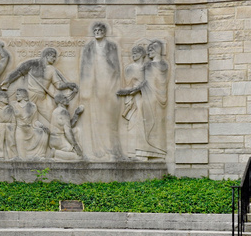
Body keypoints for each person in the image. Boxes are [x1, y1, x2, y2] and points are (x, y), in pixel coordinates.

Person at [118, 39, 169, 158]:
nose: (149, 52)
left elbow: (145, 84)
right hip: (150, 97)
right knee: (143, 123)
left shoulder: (151, 65)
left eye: (151, 50)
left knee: (142, 123)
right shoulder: (164, 65)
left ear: (157, 51)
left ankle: (148, 151)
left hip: (150, 98)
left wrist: (127, 92)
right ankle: (149, 151)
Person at [78, 22, 122, 160]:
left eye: (100, 30)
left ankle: (111, 148)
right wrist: (85, 89)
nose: (97, 32)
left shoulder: (112, 46)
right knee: (95, 117)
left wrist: (113, 86)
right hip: (93, 86)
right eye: (95, 30)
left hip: (109, 85)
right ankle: (97, 148)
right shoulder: (88, 47)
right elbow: (84, 70)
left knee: (109, 117)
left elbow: (116, 68)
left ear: (104, 32)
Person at [0, 47, 77, 125]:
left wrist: (68, 85)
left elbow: (58, 84)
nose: (54, 59)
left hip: (42, 98)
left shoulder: (51, 69)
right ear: (48, 55)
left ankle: (69, 123)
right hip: (30, 96)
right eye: (53, 56)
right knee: (23, 117)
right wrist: (8, 81)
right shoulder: (32, 64)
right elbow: (18, 72)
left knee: (53, 117)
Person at [49, 93, 84, 160]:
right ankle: (56, 153)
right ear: (60, 101)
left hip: (53, 140)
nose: (67, 99)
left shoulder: (55, 111)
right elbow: (68, 131)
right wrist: (76, 146)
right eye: (65, 98)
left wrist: (76, 114)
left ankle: (56, 153)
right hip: (59, 140)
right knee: (78, 157)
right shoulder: (63, 112)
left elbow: (68, 125)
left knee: (76, 130)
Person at [0, 90, 16, 159]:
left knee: (11, 141)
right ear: (0, 99)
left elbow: (14, 119)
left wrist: (13, 127)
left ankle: (12, 156)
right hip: (0, 125)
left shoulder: (10, 108)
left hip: (9, 126)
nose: (7, 99)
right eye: (5, 97)